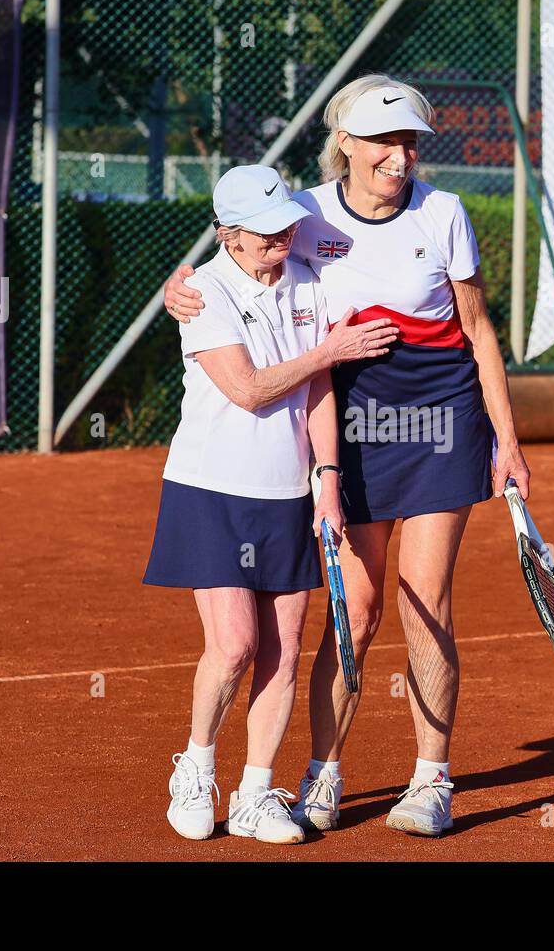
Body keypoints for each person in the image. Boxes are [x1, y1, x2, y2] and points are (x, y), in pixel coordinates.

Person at [162, 74, 530, 837]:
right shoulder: (300, 211)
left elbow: (480, 328)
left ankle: (433, 780)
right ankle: (322, 772)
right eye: (387, 142)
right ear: (347, 146)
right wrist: (181, 288)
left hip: (439, 415)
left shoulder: (447, 213)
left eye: (412, 142)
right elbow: (232, 251)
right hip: (352, 412)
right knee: (352, 610)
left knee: (424, 600)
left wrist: (509, 438)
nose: (402, 157)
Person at [147, 164, 399, 845]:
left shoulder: (309, 283)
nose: (279, 238)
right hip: (211, 490)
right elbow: (253, 390)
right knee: (233, 647)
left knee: (282, 654)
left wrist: (325, 478)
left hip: (288, 494)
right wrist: (332, 350)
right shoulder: (203, 292)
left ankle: (257, 794)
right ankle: (196, 768)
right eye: (262, 232)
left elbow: (319, 394)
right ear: (228, 235)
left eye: (284, 224)